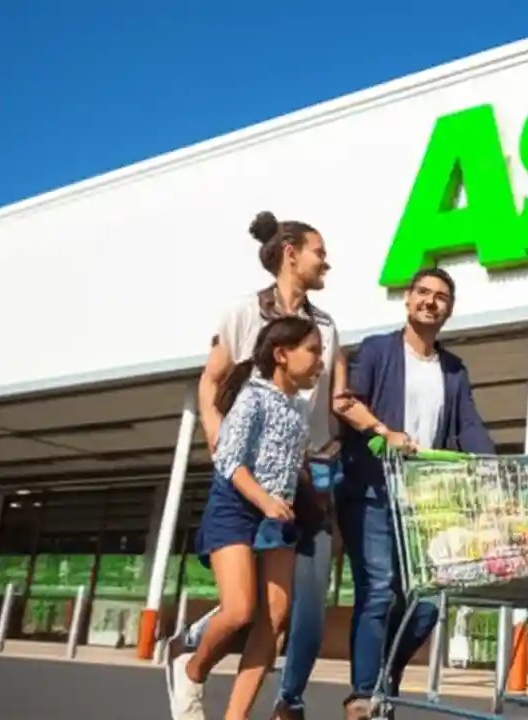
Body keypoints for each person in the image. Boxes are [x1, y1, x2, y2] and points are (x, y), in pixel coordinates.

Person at [166, 211, 339, 720]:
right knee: (241, 609)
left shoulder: (324, 326)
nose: (326, 261)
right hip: (242, 494)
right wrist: (220, 438)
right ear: (291, 253)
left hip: (286, 499)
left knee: (277, 617)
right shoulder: (245, 316)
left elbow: (332, 401)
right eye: (319, 251)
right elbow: (211, 382)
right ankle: (190, 666)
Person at [331, 267, 497, 720]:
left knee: (426, 604)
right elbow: (347, 401)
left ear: (449, 309)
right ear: (408, 300)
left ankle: (385, 681)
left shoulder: (453, 369)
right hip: (373, 492)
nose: (430, 301)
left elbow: (468, 425)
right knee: (380, 592)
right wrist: (386, 432)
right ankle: (363, 696)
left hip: (426, 503)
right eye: (422, 292)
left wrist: (491, 466)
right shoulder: (378, 350)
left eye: (441, 296)